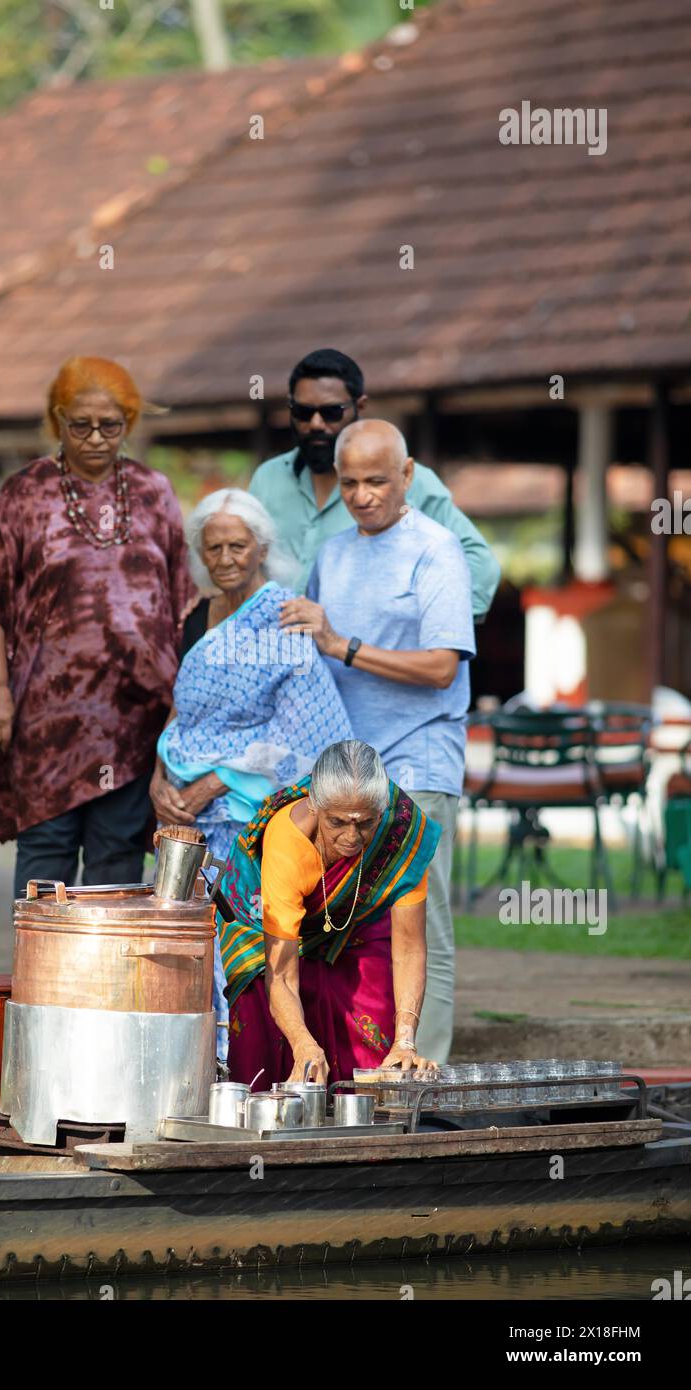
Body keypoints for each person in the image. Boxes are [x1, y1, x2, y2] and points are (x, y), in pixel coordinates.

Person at [281, 420, 475, 1065]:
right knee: (344, 929)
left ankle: (427, 1075)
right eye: (350, 483)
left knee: (420, 929)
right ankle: (358, 1072)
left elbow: (442, 667)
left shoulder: (436, 549)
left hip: (417, 762)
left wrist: (345, 646)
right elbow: (304, 647)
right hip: (344, 776)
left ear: (408, 475)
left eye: (377, 481)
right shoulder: (332, 553)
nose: (363, 495)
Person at [0, 355, 194, 897]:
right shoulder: (24, 493)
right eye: (80, 425)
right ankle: (40, 984)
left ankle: (108, 985)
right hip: (49, 721)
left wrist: (185, 702)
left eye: (110, 425)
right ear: (58, 420)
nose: (95, 437)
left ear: (128, 424)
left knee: (117, 863)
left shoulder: (154, 491)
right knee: (46, 859)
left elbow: (182, 600)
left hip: (137, 719)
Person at [150, 488, 353, 1058]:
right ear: (199, 553)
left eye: (238, 545)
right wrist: (157, 779)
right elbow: (182, 711)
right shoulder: (197, 616)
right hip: (181, 814)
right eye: (213, 547)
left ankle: (245, 1068)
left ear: (261, 548)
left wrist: (213, 783)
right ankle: (192, 1066)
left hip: (245, 819)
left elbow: (299, 736)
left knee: (248, 948)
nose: (226, 557)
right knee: (186, 944)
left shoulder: (280, 615)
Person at [218, 740, 441, 1085]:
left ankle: (366, 1127)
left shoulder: (401, 835)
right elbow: (282, 976)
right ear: (315, 806)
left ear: (381, 813)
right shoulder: (287, 844)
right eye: (337, 822)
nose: (351, 837)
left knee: (375, 1051)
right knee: (265, 1035)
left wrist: (405, 1040)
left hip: (359, 919)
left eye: (365, 823)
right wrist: (303, 1045)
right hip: (262, 925)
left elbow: (410, 948)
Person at [249, 347, 500, 613]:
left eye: (332, 412)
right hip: (281, 646)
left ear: (360, 406)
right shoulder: (268, 478)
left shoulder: (409, 481)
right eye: (302, 411)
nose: (316, 423)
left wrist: (419, 625)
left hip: (364, 652)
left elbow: (479, 565)